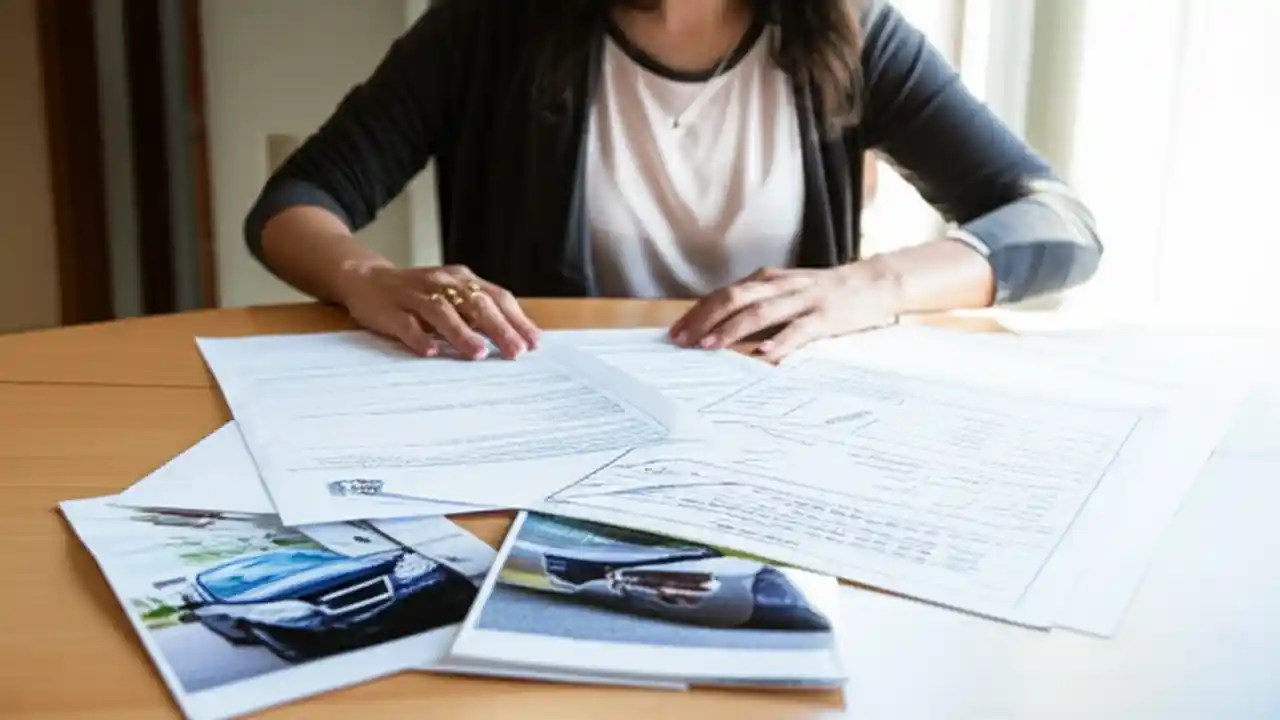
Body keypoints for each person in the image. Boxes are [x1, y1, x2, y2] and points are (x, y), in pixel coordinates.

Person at [246, 0, 1101, 362]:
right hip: (545, 421)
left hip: (773, 425)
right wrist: (365, 277)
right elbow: (297, 200)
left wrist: (871, 286)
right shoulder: (489, 26)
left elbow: (1057, 224)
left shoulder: (851, 31)